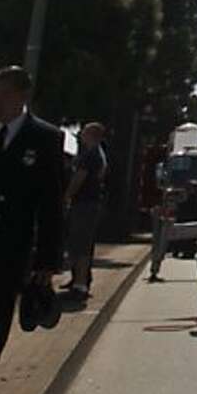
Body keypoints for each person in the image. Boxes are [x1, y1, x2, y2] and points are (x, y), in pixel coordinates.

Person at [0, 67, 64, 361]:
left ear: (23, 96)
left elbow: (51, 204)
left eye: (5, 94)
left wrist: (47, 261)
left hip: (11, 250)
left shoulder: (44, 137)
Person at [63, 122, 107, 299]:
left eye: (85, 132)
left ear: (92, 135)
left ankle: (80, 284)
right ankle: (79, 279)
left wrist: (67, 195)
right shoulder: (99, 154)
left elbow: (80, 177)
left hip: (84, 203)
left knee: (80, 243)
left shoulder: (91, 155)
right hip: (89, 202)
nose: (81, 134)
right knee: (79, 242)